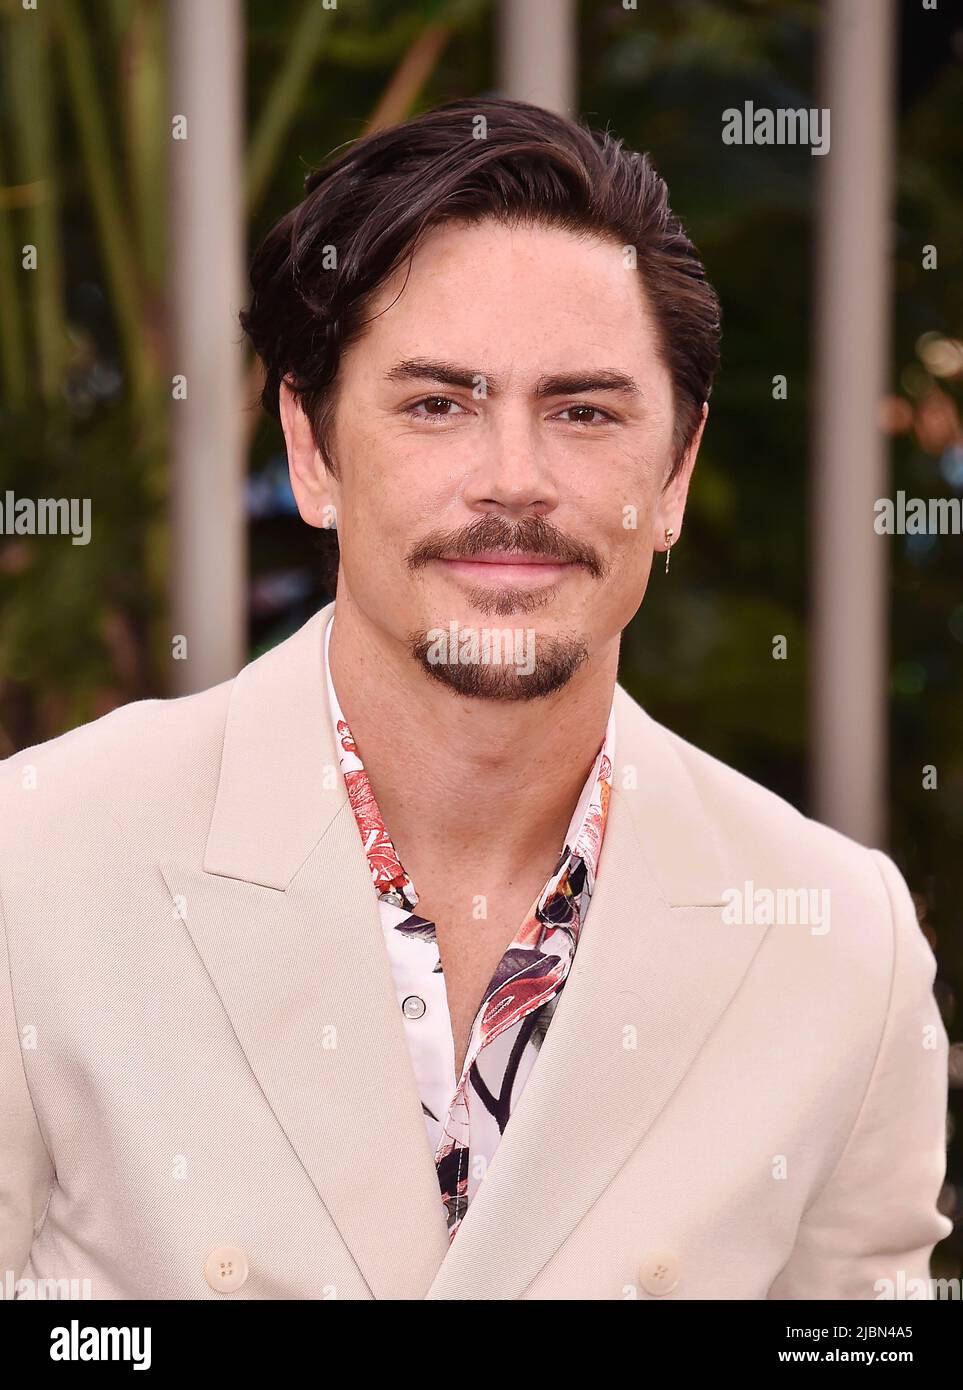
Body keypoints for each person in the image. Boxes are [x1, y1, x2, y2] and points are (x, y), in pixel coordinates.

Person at [0, 98, 951, 1301]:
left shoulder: (838, 944)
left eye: (585, 411)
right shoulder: (35, 866)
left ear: (675, 476)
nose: (516, 480)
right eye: (437, 404)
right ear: (311, 448)